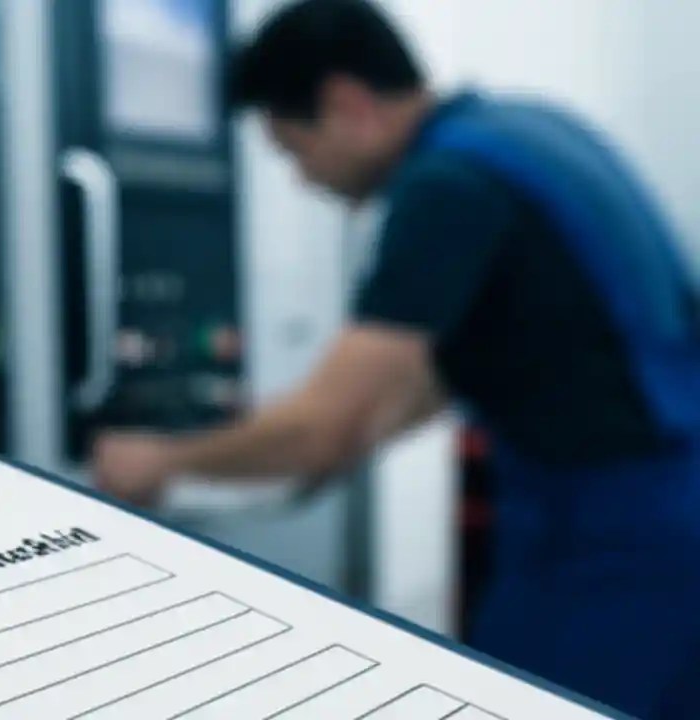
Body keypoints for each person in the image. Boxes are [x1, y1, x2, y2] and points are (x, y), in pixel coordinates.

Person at [92, 0, 700, 717]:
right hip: (657, 513)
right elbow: (444, 374)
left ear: (347, 104)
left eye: (294, 149)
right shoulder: (529, 132)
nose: (303, 179)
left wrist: (161, 461)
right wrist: (312, 438)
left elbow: (325, 428)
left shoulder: (446, 186)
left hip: (614, 542)